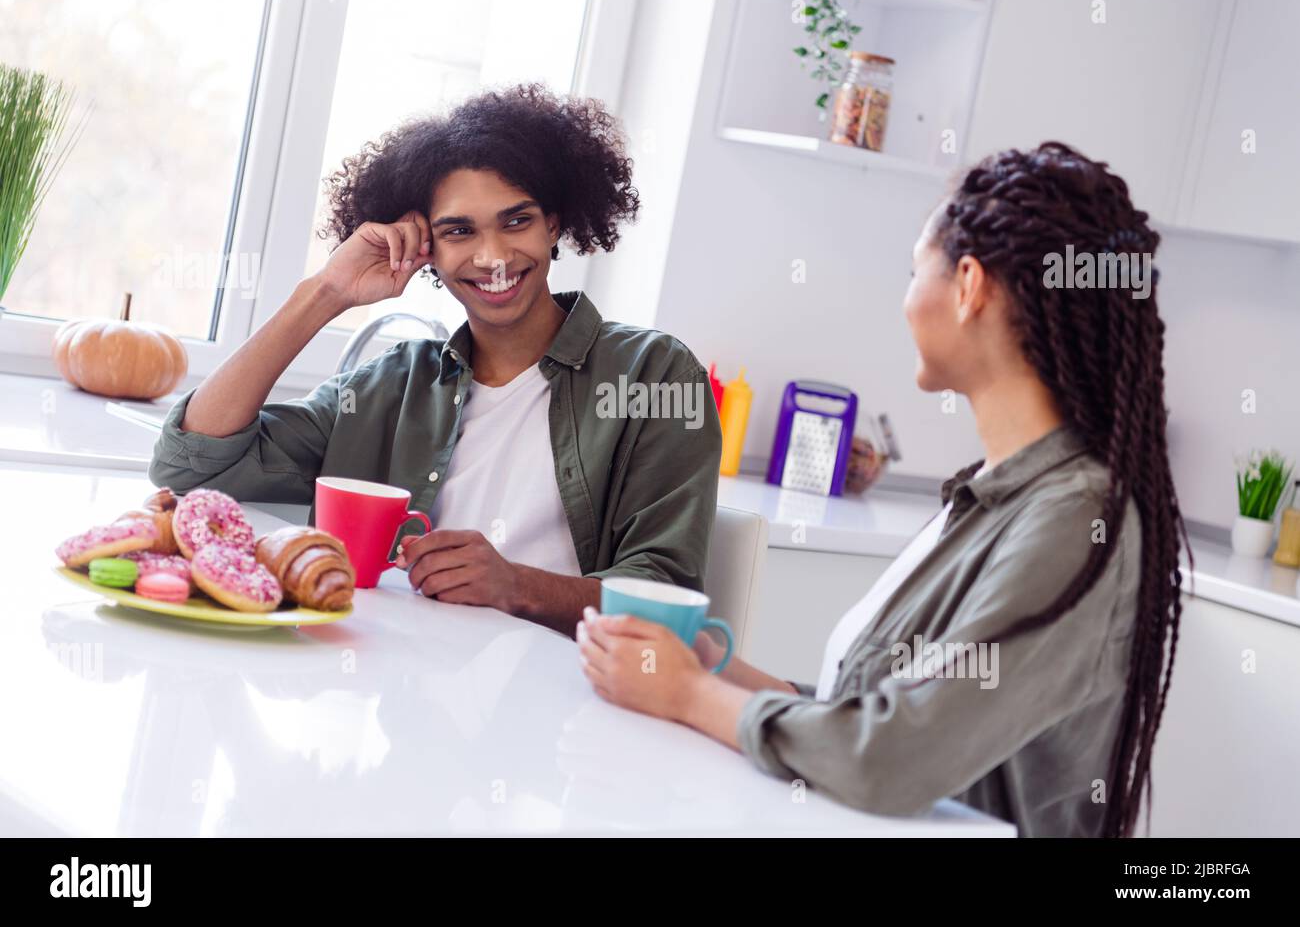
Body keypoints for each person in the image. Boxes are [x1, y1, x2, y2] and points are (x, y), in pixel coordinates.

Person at [578, 142, 1190, 838]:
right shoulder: (995, 497)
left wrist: (689, 696)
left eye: (912, 271)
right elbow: (871, 717)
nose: (905, 300)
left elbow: (894, 758)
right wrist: (715, 670)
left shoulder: (1074, 517)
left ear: (968, 286)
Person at [150, 84, 722, 636]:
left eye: (516, 220)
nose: (493, 256)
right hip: (396, 690)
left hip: (569, 707)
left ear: (555, 222)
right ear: (428, 250)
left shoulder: (654, 375)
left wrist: (515, 585)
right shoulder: (396, 385)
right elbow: (192, 464)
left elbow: (665, 599)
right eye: (458, 231)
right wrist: (326, 291)